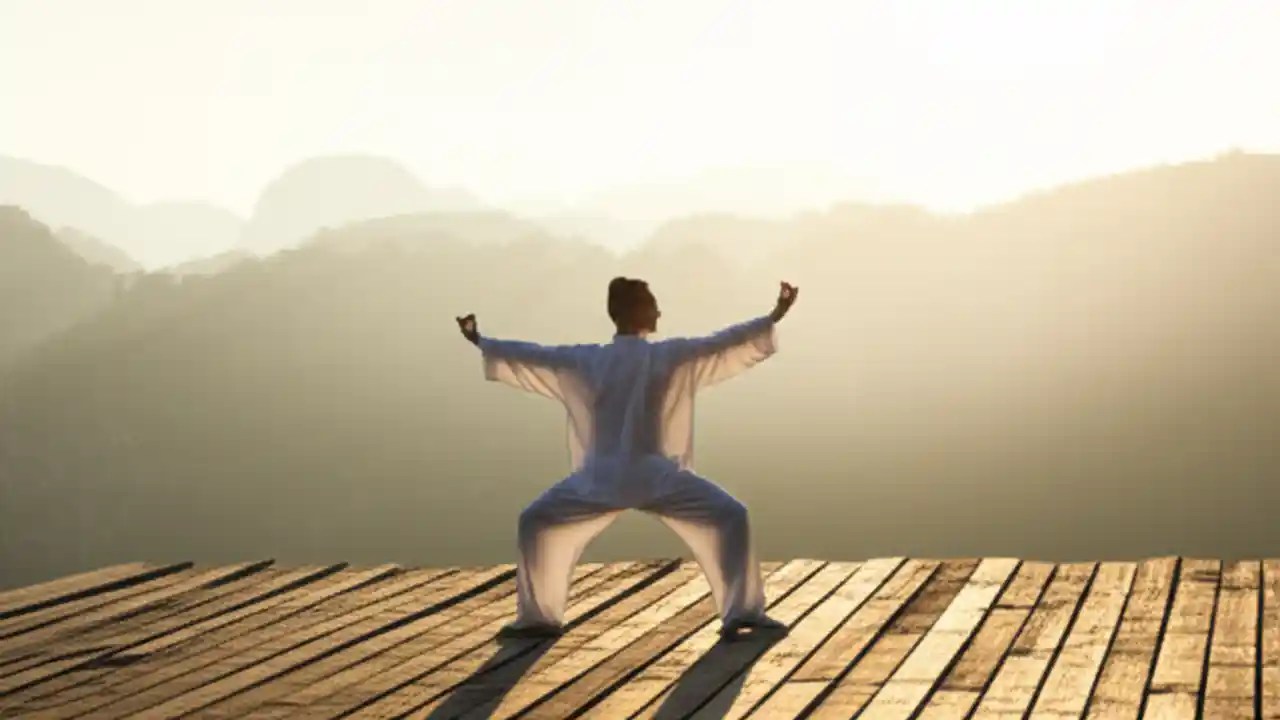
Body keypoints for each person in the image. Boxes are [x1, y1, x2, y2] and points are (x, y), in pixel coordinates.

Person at [456, 277, 798, 640]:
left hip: (600, 480)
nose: (659, 312)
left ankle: (538, 617)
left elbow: (535, 355)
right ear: (636, 312)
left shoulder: (590, 359)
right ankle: (742, 612)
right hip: (657, 476)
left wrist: (482, 341)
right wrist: (773, 315)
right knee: (732, 516)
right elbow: (722, 342)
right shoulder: (665, 355)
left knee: (534, 522)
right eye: (653, 305)